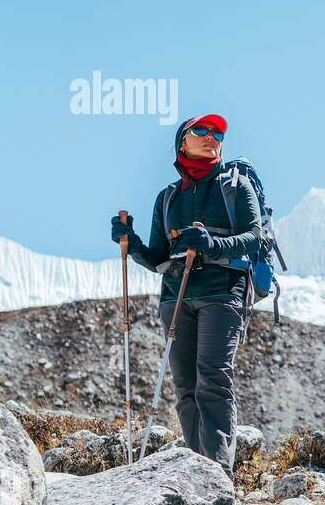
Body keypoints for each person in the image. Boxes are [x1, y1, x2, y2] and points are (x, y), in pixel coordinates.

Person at [110, 114, 261, 473]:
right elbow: (160, 258)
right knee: (186, 387)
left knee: (213, 379)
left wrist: (213, 242)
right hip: (174, 296)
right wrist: (131, 244)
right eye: (202, 131)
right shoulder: (167, 198)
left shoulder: (235, 187)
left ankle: (219, 473)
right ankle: (197, 471)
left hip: (223, 292)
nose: (212, 137)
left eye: (218, 133)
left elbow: (255, 236)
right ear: (182, 142)